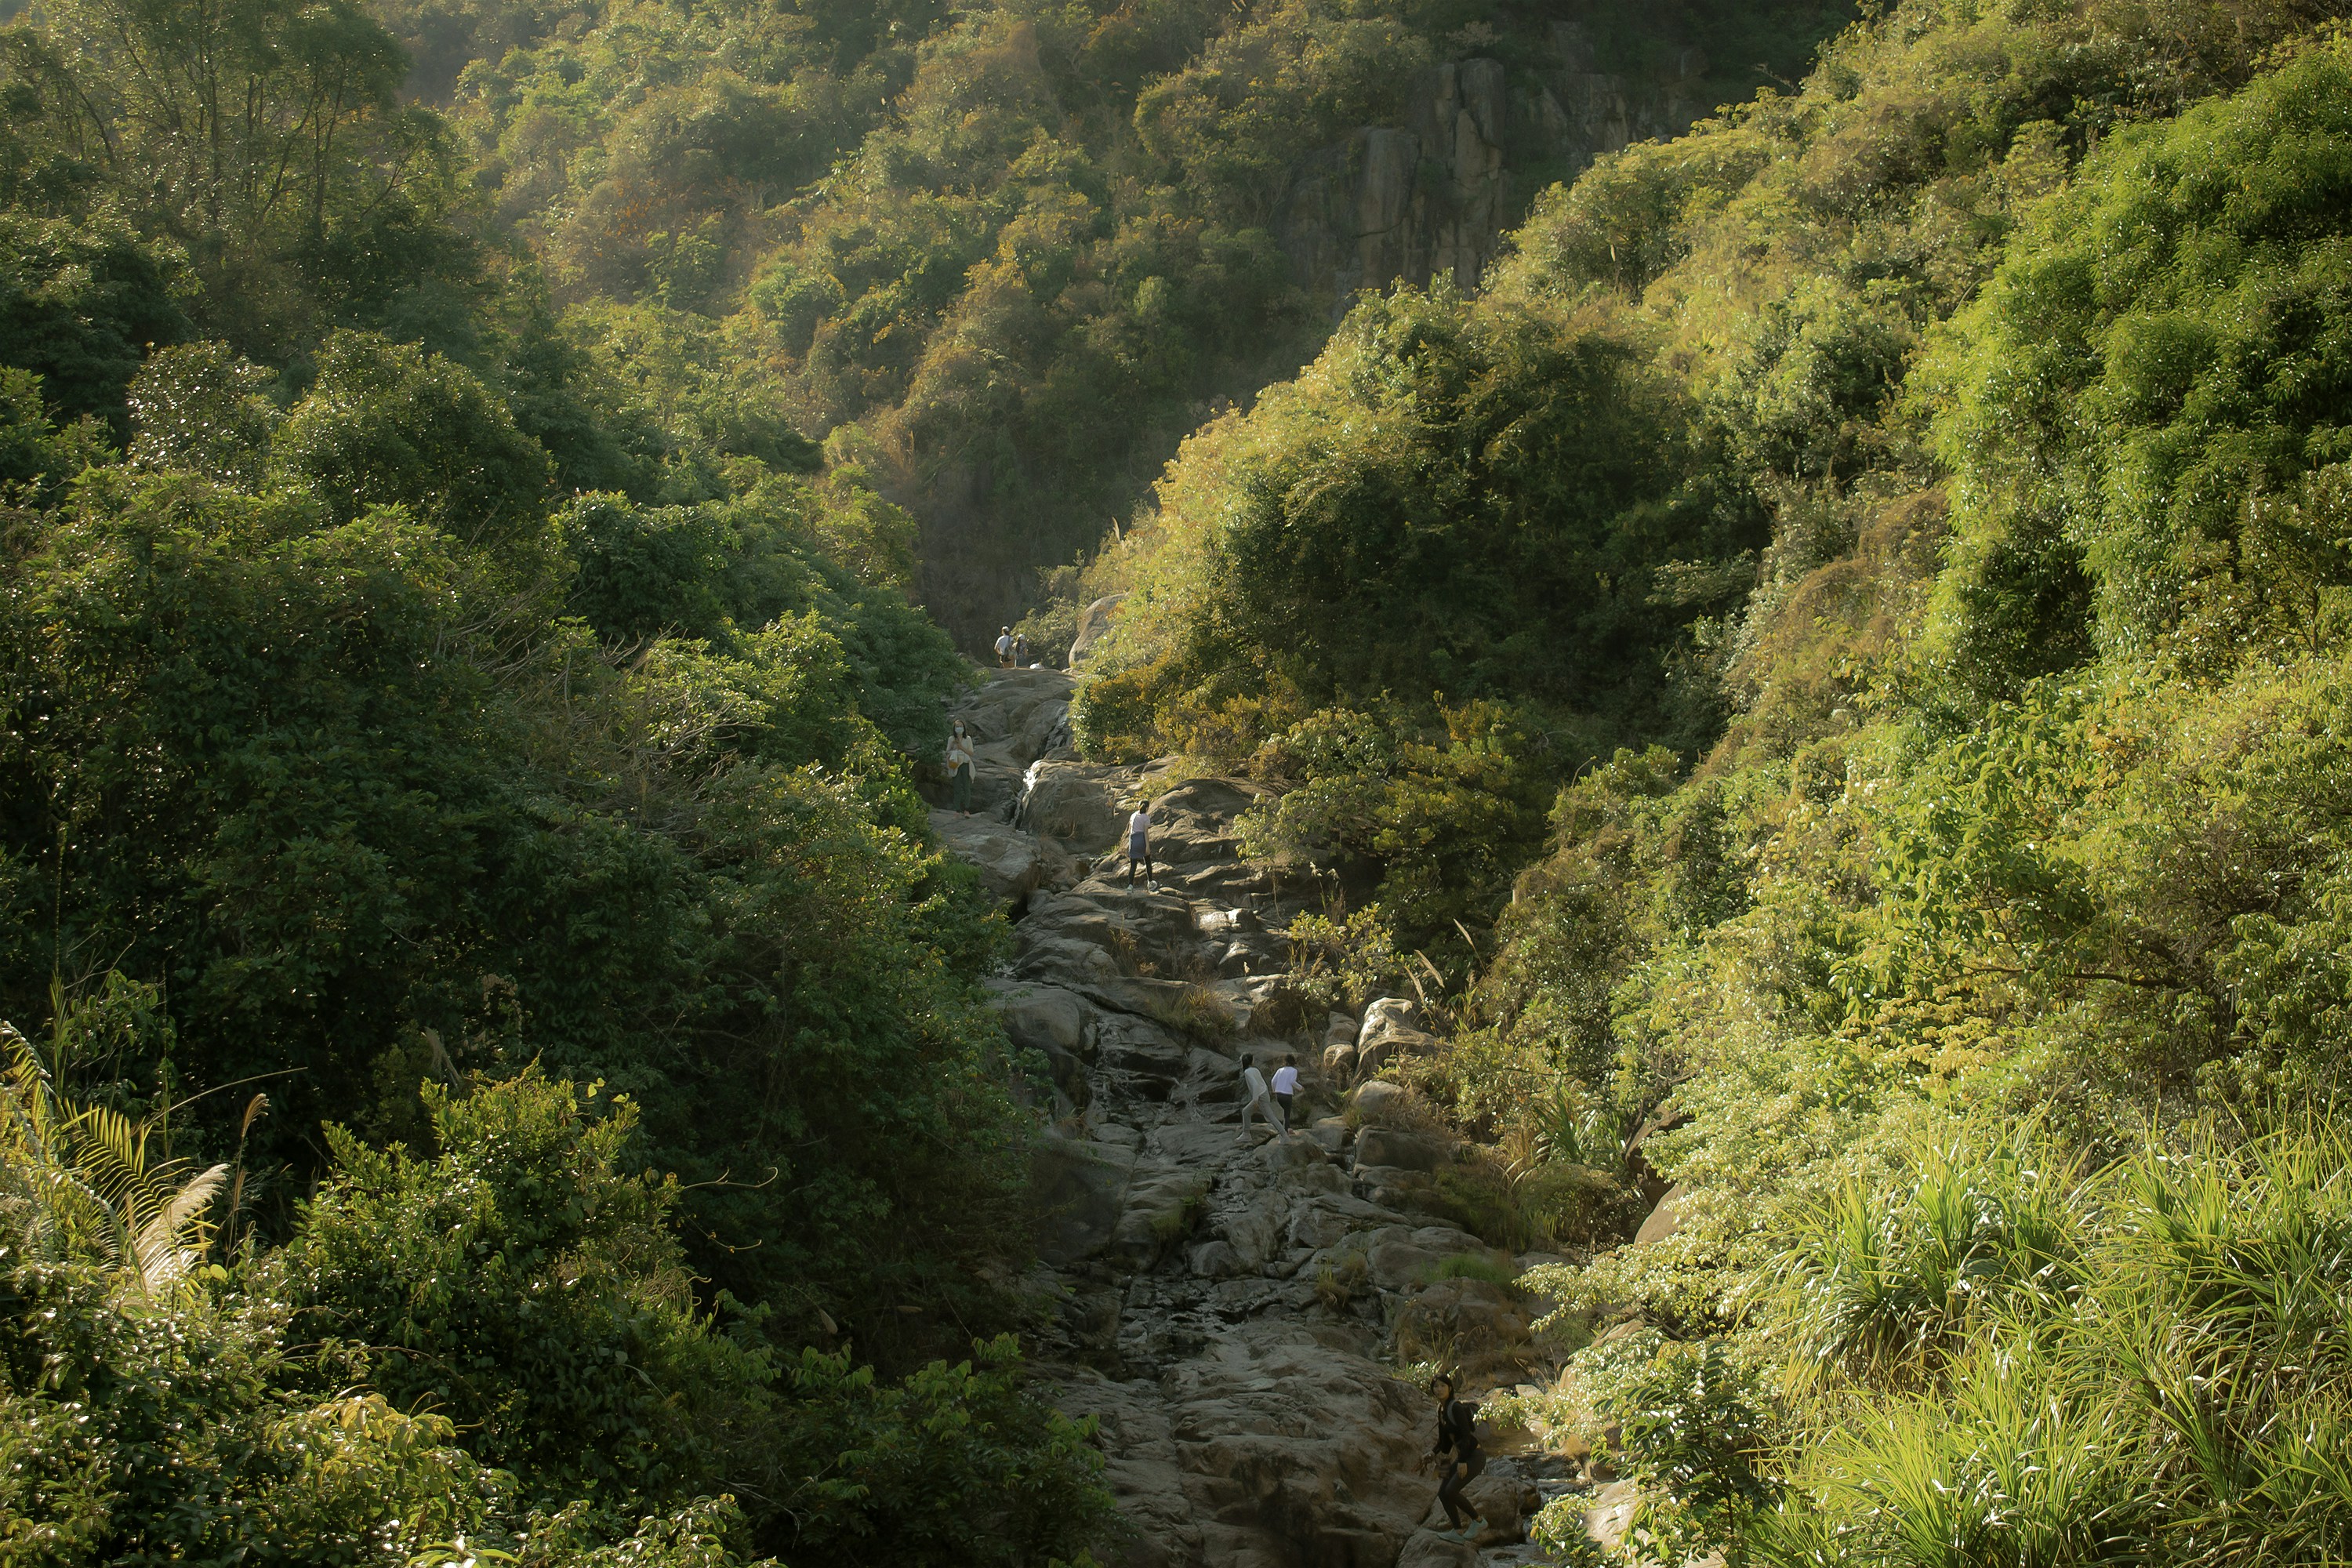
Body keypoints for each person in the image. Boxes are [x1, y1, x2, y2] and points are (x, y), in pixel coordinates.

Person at [1427, 1374, 1486, 1542]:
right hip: (1462, 1456)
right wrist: (1431, 1453)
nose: (1439, 1390)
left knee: (1451, 1491)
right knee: (1442, 1493)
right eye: (1436, 1386)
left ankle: (1478, 1521)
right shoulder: (1440, 1410)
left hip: (1473, 1456)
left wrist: (1461, 1461)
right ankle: (1457, 1531)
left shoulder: (1456, 1408)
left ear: (1450, 1388)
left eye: (1443, 1386)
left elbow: (1467, 1436)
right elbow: (1444, 1444)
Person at [1237, 1053, 1276, 1145]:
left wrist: (1255, 1100)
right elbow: (1261, 1085)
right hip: (1263, 1095)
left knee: (1270, 1117)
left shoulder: (1248, 1072)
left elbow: (1256, 1085)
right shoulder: (1255, 1070)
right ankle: (1246, 1134)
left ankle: (1284, 1133)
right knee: (1247, 1112)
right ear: (1251, 1061)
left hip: (1260, 1097)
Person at [945, 719, 977, 815]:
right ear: (954, 728)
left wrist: (961, 747)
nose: (959, 728)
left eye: (961, 726)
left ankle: (966, 809)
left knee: (966, 787)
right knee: (957, 787)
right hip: (955, 764)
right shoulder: (951, 739)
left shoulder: (968, 739)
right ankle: (957, 810)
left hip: (965, 764)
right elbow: (947, 751)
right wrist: (954, 749)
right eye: (957, 726)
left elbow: (971, 753)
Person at [1126, 802, 1156, 890]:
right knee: (1148, 862)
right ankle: (1150, 883)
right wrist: (1147, 846)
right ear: (1147, 808)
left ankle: (1130, 886)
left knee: (1133, 866)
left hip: (1133, 840)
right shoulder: (1146, 818)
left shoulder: (1133, 815)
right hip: (1141, 839)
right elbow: (1146, 832)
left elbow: (1129, 831)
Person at [1269, 1054, 1298, 1134]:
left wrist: (1274, 1090)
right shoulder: (1294, 1071)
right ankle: (1285, 1131)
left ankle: (1287, 1128)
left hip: (1278, 1094)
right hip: (1287, 1094)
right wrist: (1300, 1088)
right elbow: (1292, 1082)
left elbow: (1273, 1081)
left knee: (1285, 1112)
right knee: (1287, 1113)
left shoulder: (1280, 1070)